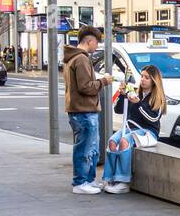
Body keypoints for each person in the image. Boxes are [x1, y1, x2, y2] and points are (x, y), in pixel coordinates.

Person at [63, 26, 112, 194]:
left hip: (80, 109)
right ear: (89, 41)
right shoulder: (81, 59)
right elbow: (85, 87)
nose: (97, 46)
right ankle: (80, 183)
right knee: (85, 148)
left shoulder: (73, 58)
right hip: (83, 109)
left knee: (90, 147)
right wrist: (103, 81)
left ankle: (88, 180)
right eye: (96, 42)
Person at [107, 63, 166, 193]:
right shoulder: (135, 92)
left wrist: (138, 103)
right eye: (142, 76)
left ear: (154, 81)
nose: (143, 80)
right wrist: (123, 95)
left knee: (124, 141)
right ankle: (111, 178)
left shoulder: (157, 98)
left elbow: (152, 119)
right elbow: (118, 110)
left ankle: (123, 181)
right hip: (131, 128)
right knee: (112, 141)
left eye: (146, 77)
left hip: (148, 132)